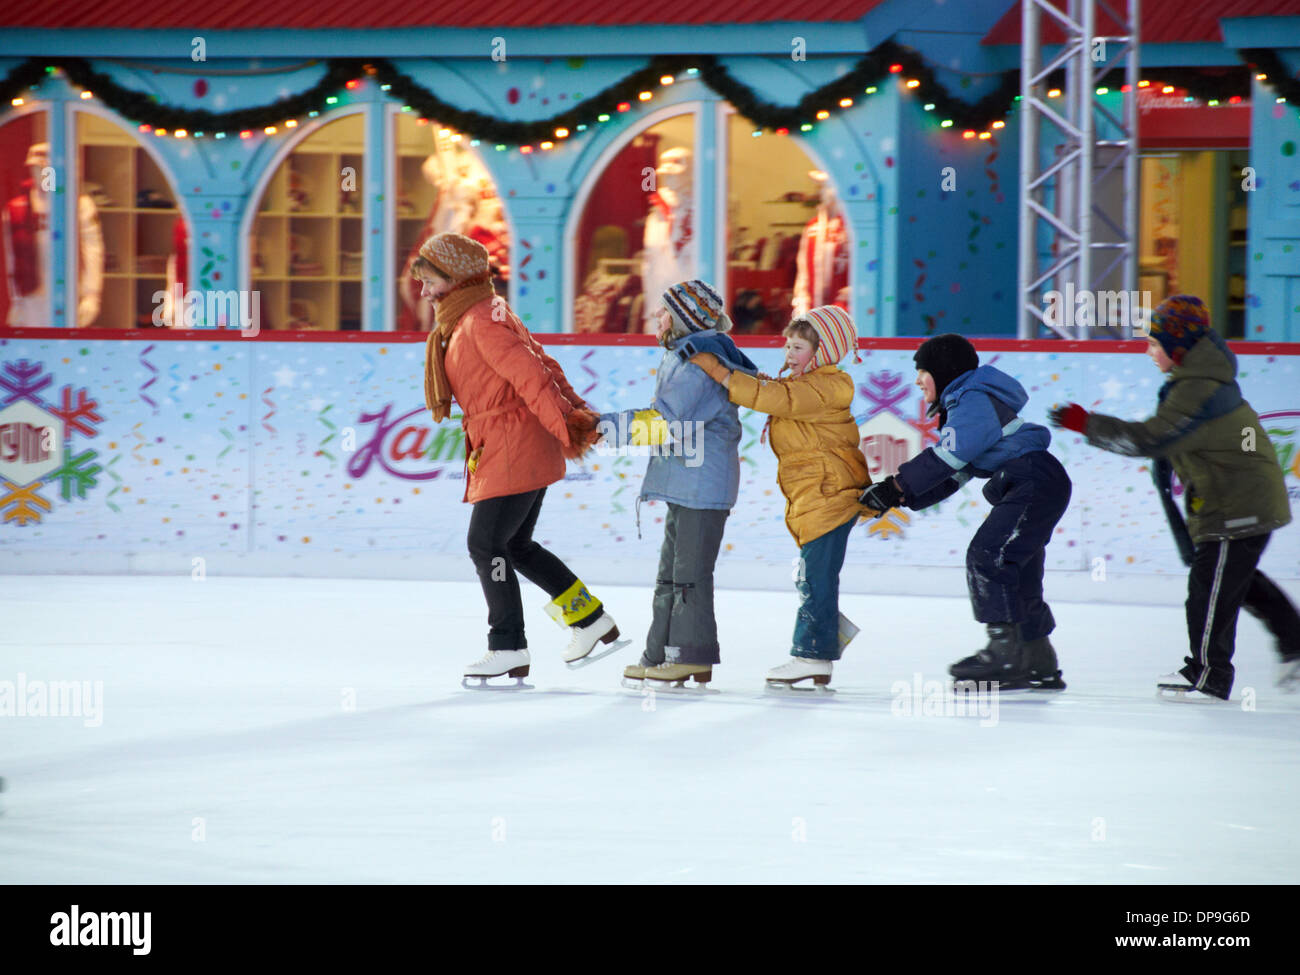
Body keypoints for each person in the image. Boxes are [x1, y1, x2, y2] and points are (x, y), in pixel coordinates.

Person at [1049, 295, 1297, 700]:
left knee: (1209, 592)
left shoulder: (1196, 388)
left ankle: (1209, 674)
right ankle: (1293, 640)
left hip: (1238, 505)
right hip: (1241, 501)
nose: (1148, 352)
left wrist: (1086, 423)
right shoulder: (1199, 380)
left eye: (1154, 343)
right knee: (1235, 584)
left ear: (1177, 348)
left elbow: (1149, 439)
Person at [413, 232, 619, 684]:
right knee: (514, 546)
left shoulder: (481, 320)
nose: (424, 292)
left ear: (455, 277)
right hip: (506, 438)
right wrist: (574, 412)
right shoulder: (478, 313)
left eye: (430, 281)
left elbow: (533, 376)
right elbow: (546, 364)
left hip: (514, 440)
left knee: (486, 545)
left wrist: (569, 424)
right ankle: (590, 621)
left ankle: (507, 646)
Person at [862, 334, 1072, 690]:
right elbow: (955, 472)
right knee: (1016, 569)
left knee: (988, 555)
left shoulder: (972, 398)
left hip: (1032, 482)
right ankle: (1037, 656)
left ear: (943, 371)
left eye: (922, 371)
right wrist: (899, 498)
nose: (917, 381)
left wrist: (895, 487)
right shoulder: (970, 403)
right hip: (1036, 482)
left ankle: (1004, 653)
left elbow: (948, 458)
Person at [689, 306, 870, 688]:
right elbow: (779, 392)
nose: (790, 353)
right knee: (811, 576)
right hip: (816, 493)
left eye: (800, 347)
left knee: (816, 577)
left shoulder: (826, 386)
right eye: (788, 345)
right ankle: (823, 638)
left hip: (829, 494)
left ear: (823, 352)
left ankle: (812, 655)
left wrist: (721, 372)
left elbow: (774, 398)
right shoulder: (808, 384)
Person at [598, 280, 757, 688]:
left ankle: (688, 655)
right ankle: (663, 653)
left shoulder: (698, 364)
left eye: (664, 310)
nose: (657, 316)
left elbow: (669, 423)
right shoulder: (685, 358)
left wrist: (605, 429)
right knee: (672, 572)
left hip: (702, 485)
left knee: (688, 574)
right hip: (687, 481)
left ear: (685, 318)